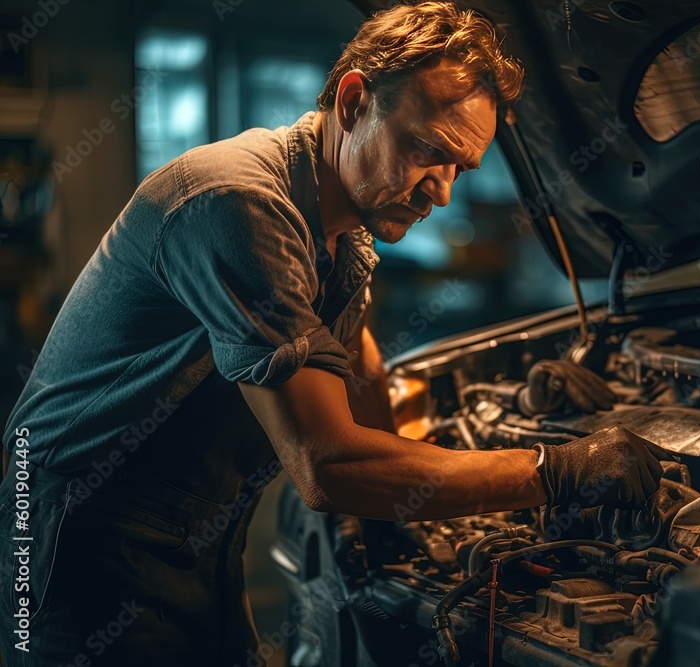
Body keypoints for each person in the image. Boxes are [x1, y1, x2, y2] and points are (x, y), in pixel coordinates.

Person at [0, 2, 663, 664]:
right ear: (353, 101)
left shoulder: (344, 242)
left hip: (198, 531)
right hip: (77, 536)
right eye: (429, 151)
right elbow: (328, 464)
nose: (443, 192)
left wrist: (428, 487)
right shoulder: (239, 202)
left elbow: (363, 378)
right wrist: (558, 469)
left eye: (461, 166)